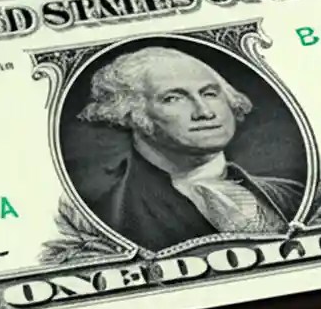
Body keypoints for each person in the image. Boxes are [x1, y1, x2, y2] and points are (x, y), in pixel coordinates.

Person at [77, 45, 303, 252]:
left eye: (209, 93)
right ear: (129, 113)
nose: (204, 112)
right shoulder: (108, 218)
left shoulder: (292, 193)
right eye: (173, 98)